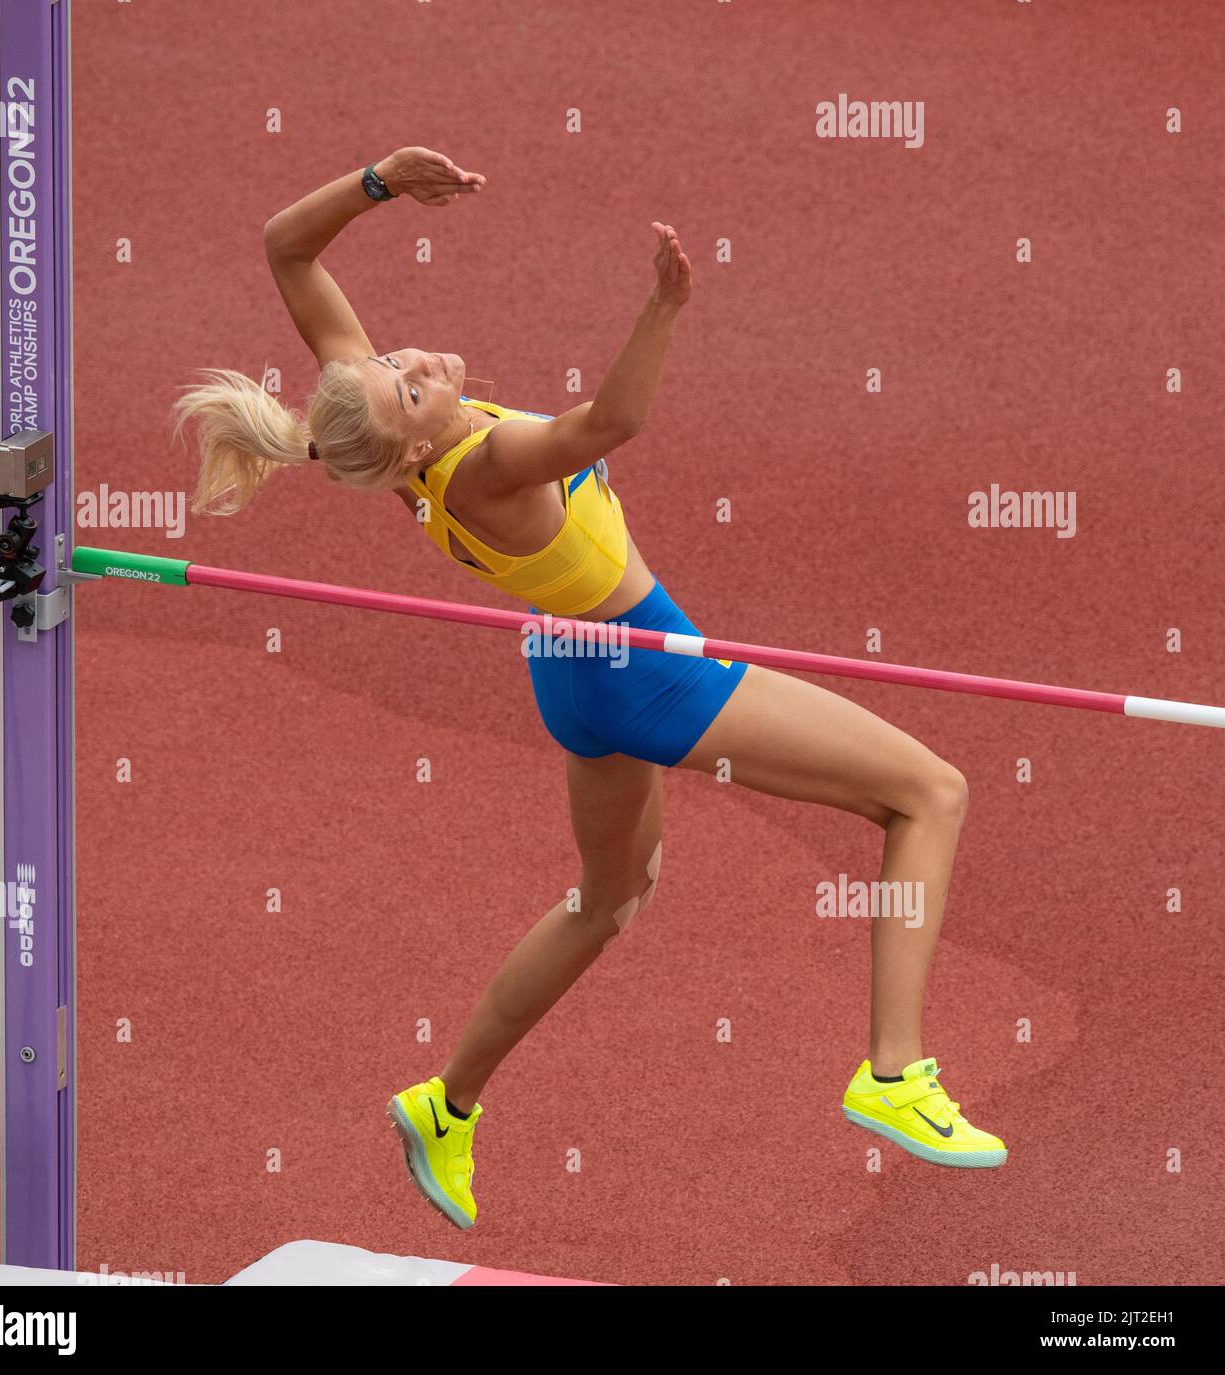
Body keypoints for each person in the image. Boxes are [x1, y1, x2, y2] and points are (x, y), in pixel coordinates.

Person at [175, 146, 1006, 1231]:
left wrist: (380, 180)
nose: (415, 358)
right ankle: (892, 1074)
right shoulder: (486, 463)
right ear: (415, 433)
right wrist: (662, 308)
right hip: (641, 671)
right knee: (926, 793)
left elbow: (284, 245)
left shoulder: (373, 427)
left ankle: (446, 1102)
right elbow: (611, 424)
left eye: (401, 363)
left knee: (608, 898)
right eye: (411, 382)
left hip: (569, 673)